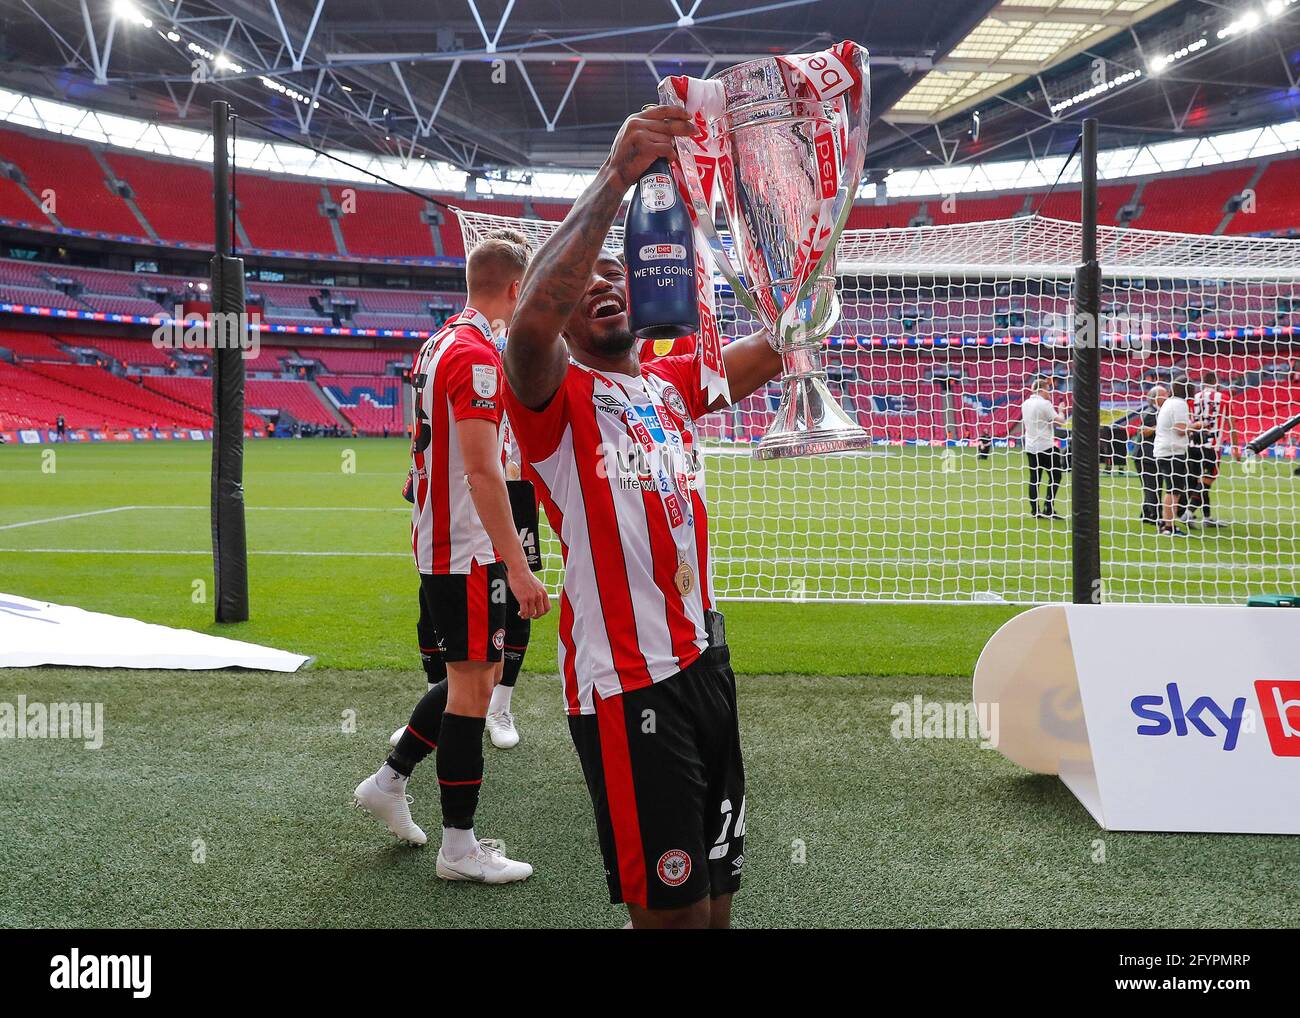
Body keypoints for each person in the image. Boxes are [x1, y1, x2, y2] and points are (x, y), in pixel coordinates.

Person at [504, 104, 785, 929]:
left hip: (706, 664)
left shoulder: (665, 387)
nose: (600, 285)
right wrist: (615, 178)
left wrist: (809, 263)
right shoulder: (552, 398)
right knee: (674, 919)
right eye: (580, 285)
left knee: (720, 904)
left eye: (613, 275)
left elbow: (774, 347)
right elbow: (528, 327)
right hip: (632, 689)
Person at [353, 232, 551, 884]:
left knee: (481, 676)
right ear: (517, 289)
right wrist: (517, 567)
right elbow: (483, 470)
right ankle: (459, 849)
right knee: (472, 688)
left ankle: (388, 780)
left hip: (444, 538)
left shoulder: (440, 339)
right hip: (463, 549)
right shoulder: (475, 356)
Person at [1188, 370, 1234, 527]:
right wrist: (1235, 447)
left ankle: (1207, 518)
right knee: (1206, 482)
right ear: (1217, 383)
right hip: (1212, 447)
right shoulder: (1224, 399)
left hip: (1193, 445)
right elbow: (1232, 425)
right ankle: (1188, 513)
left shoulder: (1194, 398)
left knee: (1200, 482)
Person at [1020, 376, 1067, 519]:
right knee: (1056, 475)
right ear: (1041, 390)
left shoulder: (1025, 403)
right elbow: (1061, 421)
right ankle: (1048, 507)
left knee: (1035, 478)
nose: (1049, 392)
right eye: (1048, 389)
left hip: (1030, 446)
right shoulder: (1045, 404)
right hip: (1045, 445)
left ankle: (1035, 510)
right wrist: (1061, 410)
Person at [1155, 378, 1196, 537]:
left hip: (1164, 450)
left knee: (1173, 489)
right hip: (1172, 451)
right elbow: (1180, 429)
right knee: (1174, 490)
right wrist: (1196, 426)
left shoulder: (1169, 402)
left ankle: (1166, 523)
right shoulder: (1180, 404)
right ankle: (1168, 527)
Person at [1135, 385, 1167, 525]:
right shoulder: (1151, 412)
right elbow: (1142, 431)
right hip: (1146, 456)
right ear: (1155, 398)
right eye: (1164, 394)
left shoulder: (1155, 411)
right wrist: (1159, 427)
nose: (1167, 397)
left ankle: (1147, 514)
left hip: (1150, 455)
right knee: (1152, 486)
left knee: (1154, 486)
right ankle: (1155, 515)